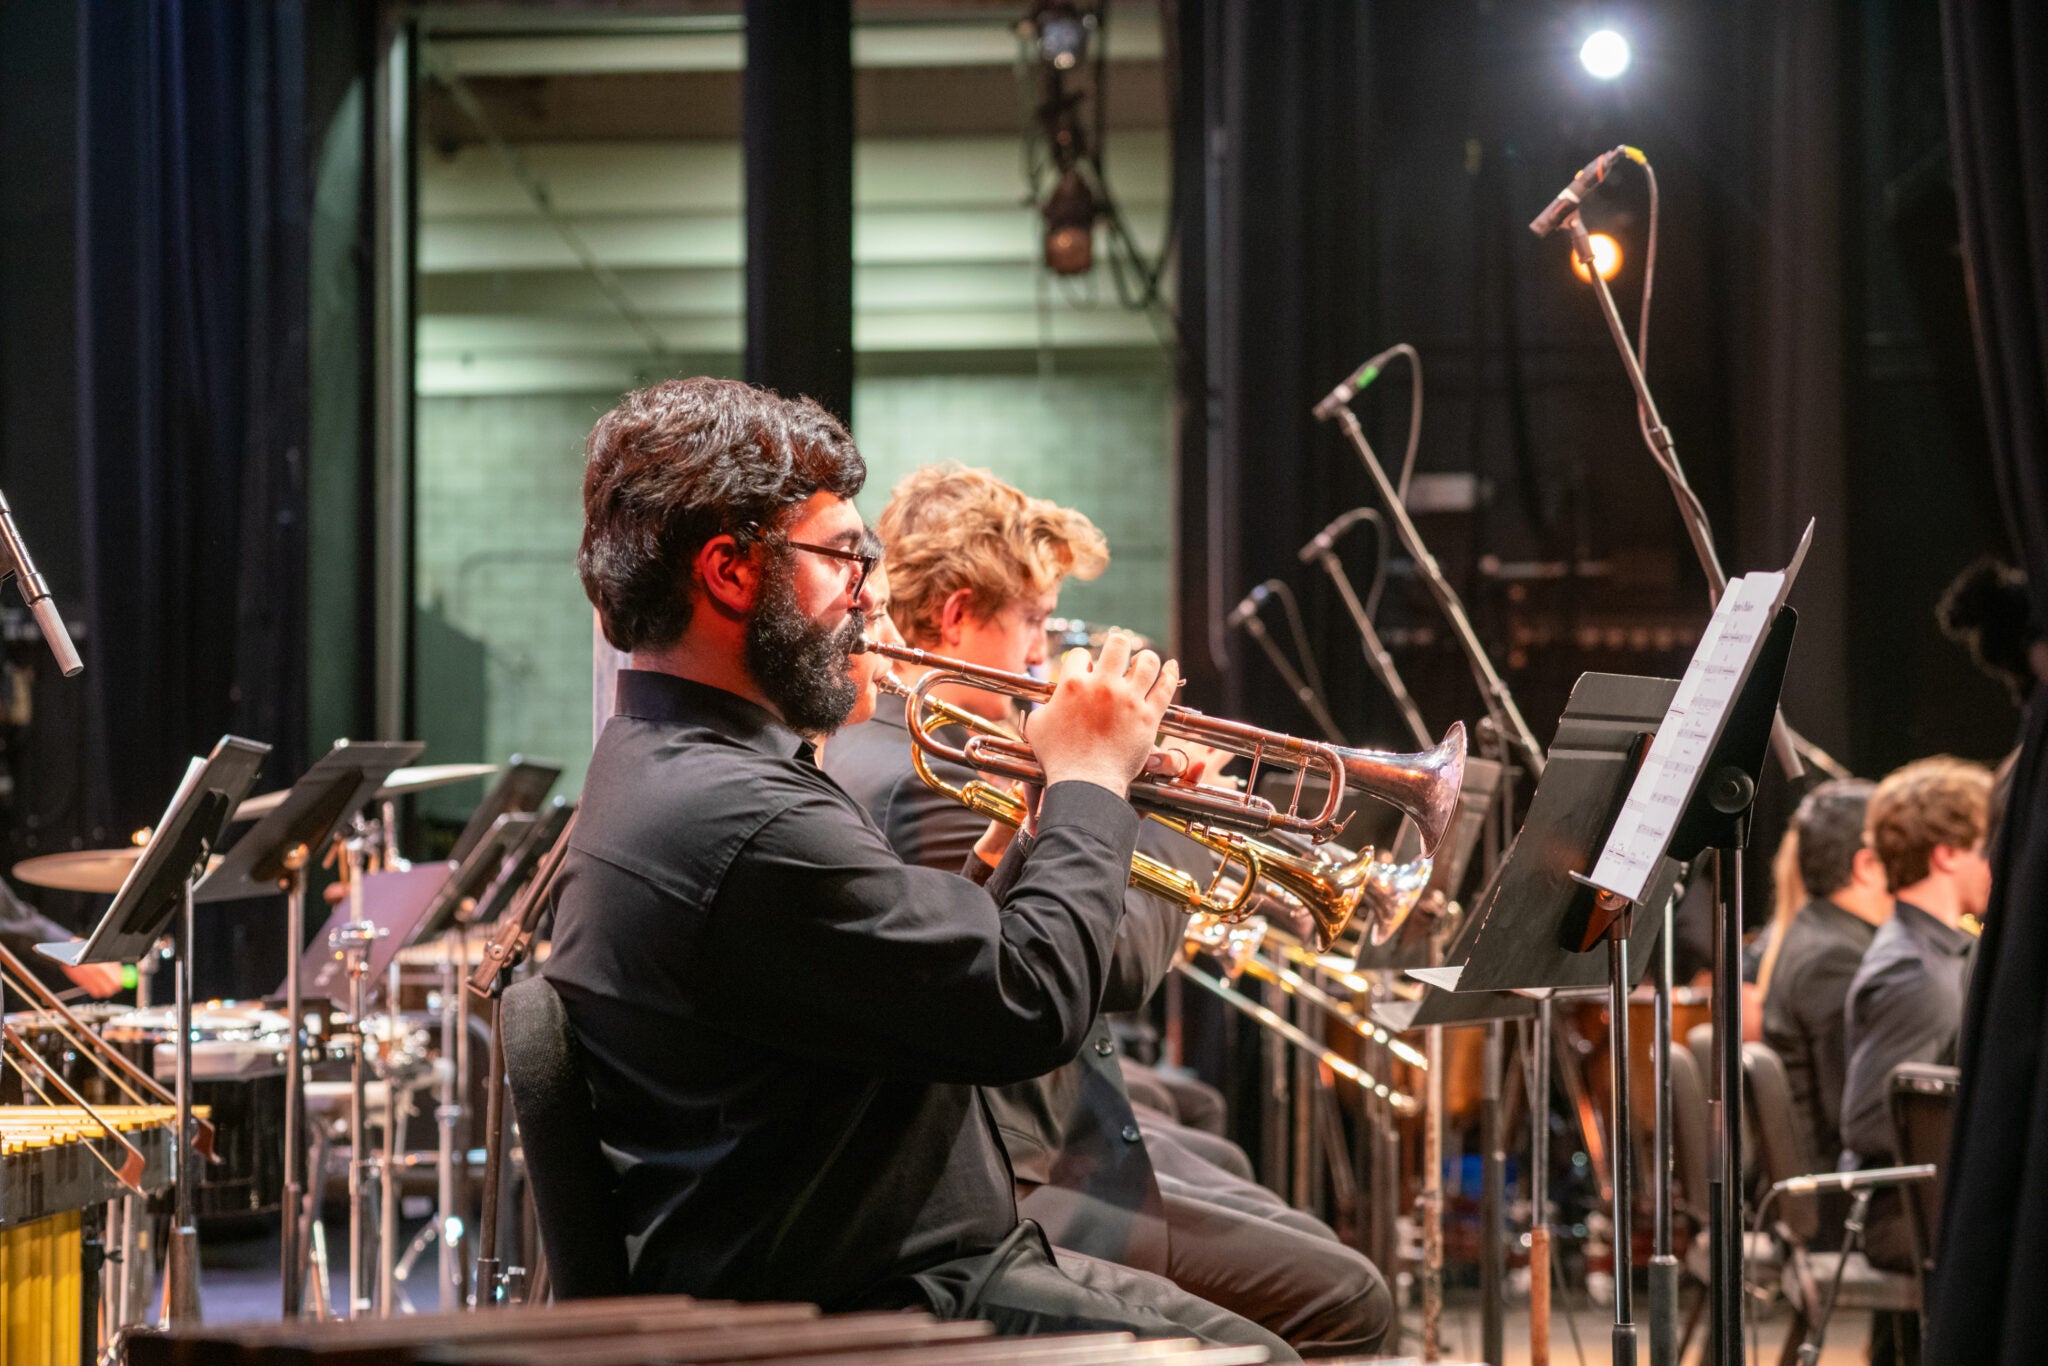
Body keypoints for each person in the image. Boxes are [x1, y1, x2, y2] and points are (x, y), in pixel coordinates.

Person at [541, 378, 1290, 1356]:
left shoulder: (670, 768)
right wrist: (1092, 784)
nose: (872, 597)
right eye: (845, 558)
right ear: (728, 570)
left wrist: (1040, 819)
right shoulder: (746, 818)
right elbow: (1030, 1003)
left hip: (890, 1257)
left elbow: (921, 970)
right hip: (878, 1302)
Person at [821, 462, 1393, 1357]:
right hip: (1020, 1175)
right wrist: (1163, 817)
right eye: (1035, 624)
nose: (1045, 657)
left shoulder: (927, 751)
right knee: (1350, 1295)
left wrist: (1117, 798)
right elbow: (1109, 968)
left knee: (1269, 1206)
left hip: (1039, 1139)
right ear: (962, 614)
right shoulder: (923, 779)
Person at [1840, 756, 1993, 1276]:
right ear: (1948, 853)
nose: (1999, 862)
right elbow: (1868, 1122)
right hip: (1906, 1218)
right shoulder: (1915, 971)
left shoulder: (1939, 952)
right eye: (1987, 847)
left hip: (1933, 1204)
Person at [1758, 780, 1887, 1180]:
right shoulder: (1835, 958)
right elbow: (1853, 1117)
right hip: (1841, 1200)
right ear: (1865, 866)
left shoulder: (1818, 931)